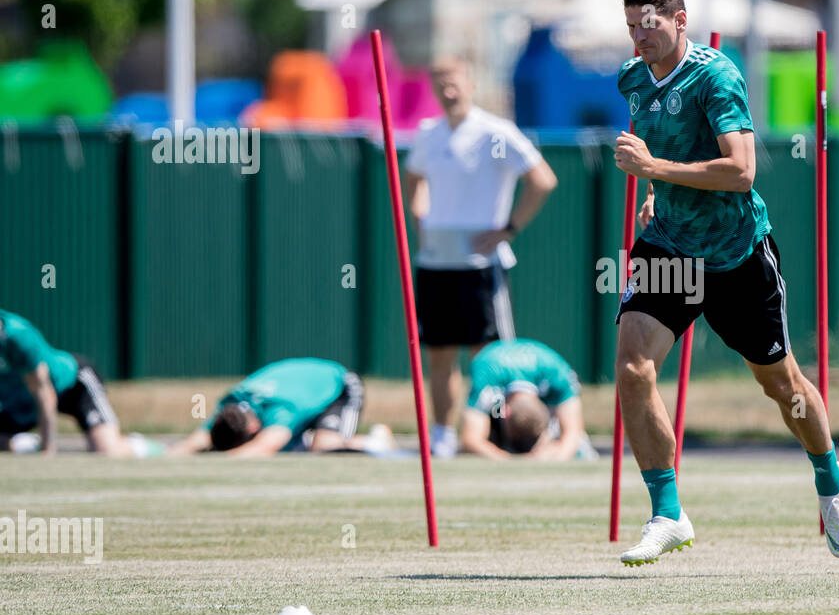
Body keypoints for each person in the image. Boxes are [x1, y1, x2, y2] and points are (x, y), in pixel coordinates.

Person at [610, 0, 839, 566]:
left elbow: (741, 169)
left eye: (649, 26)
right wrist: (655, 193)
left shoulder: (716, 75)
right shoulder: (631, 78)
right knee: (633, 364)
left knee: (782, 387)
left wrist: (657, 170)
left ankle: (830, 478)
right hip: (669, 247)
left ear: (679, 21)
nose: (639, 39)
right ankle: (667, 512)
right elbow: (655, 145)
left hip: (735, 255)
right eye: (631, 29)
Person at [402, 55, 559, 460]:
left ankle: (493, 434)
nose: (446, 88)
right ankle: (441, 436)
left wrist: (508, 229)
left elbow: (543, 180)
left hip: (480, 265)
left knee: (489, 358)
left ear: (470, 83)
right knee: (438, 353)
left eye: (452, 80)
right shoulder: (428, 134)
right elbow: (413, 178)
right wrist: (421, 219)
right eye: (438, 81)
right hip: (435, 261)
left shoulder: (496, 131)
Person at [167, 357, 391, 457]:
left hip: (338, 383)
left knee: (325, 448)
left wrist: (218, 461)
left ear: (255, 428)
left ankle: (377, 440)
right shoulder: (232, 404)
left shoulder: (279, 410)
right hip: (304, 389)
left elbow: (264, 448)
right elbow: (196, 441)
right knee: (297, 448)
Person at [0, 308, 142, 456]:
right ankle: (28, 444)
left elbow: (45, 393)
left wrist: (47, 449)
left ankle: (145, 446)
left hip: (73, 385)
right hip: (23, 399)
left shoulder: (19, 335)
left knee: (107, 449)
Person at [460, 338, 594, 460]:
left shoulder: (557, 373)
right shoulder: (487, 372)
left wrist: (552, 454)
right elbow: (470, 439)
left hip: (546, 426)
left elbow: (573, 434)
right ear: (505, 413)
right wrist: (508, 459)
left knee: (581, 449)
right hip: (498, 420)